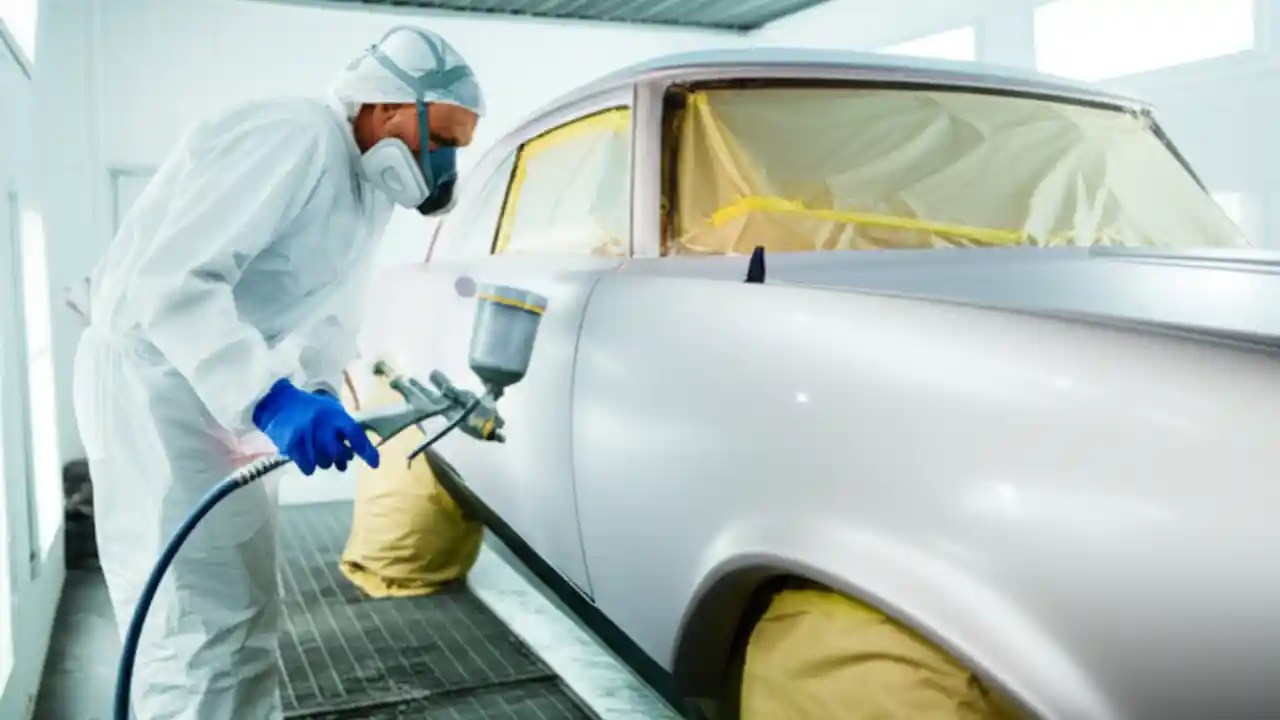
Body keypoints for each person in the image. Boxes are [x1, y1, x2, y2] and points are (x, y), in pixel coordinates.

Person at [71, 26, 483, 719]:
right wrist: (269, 398)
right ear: (385, 108)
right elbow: (173, 282)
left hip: (214, 393)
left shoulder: (365, 194)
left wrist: (316, 389)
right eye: (440, 137)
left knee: (243, 609)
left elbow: (329, 317)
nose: (443, 162)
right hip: (155, 383)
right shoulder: (297, 136)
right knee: (190, 622)